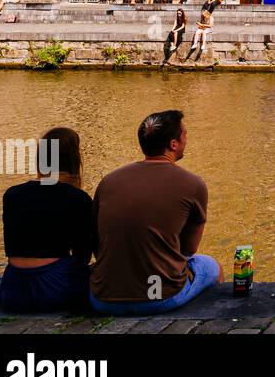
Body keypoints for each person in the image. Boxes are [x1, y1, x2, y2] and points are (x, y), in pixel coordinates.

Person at [90, 111, 219, 315]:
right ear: (173, 144)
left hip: (104, 298)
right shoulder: (193, 184)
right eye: (185, 133)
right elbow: (188, 249)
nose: (187, 138)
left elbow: (96, 243)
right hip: (158, 297)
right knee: (211, 266)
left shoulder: (109, 181)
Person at [0, 127, 94, 313]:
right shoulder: (77, 198)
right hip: (56, 291)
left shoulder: (11, 195)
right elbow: (82, 257)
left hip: (13, 290)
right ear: (74, 160)